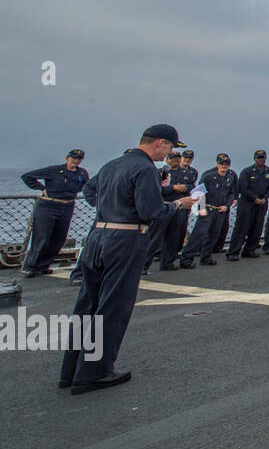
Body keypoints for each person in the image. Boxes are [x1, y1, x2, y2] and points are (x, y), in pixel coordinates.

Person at [59, 124, 195, 394]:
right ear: (160, 143)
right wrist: (178, 204)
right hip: (126, 239)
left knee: (87, 304)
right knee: (113, 306)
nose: (170, 155)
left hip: (98, 237)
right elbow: (151, 211)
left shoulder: (113, 164)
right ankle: (95, 372)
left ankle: (71, 370)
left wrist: (113, 207)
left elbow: (89, 190)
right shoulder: (145, 169)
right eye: (170, 148)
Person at [20, 149, 90, 277]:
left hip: (67, 205)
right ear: (68, 158)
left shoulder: (81, 173)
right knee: (42, 237)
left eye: (79, 159)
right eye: (74, 158)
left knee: (59, 238)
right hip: (49, 205)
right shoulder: (54, 170)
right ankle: (30, 266)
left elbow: (87, 186)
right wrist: (42, 188)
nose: (76, 161)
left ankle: (43, 265)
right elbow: (27, 176)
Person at [180, 154, 237, 268]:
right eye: (221, 164)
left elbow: (232, 193)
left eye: (226, 164)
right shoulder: (209, 176)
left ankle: (206, 257)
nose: (224, 166)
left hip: (220, 210)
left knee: (213, 236)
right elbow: (199, 192)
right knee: (199, 234)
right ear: (217, 164)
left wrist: (227, 205)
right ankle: (186, 259)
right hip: (207, 208)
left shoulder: (231, 176)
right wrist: (201, 209)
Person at [226, 150, 269, 261]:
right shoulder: (247, 172)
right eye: (258, 157)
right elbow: (243, 188)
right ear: (254, 159)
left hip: (262, 203)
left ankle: (249, 250)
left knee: (257, 228)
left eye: (262, 157)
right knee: (242, 228)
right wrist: (255, 198)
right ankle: (233, 251)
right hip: (247, 203)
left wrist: (264, 198)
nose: (260, 159)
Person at [157, 149, 197, 271]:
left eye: (176, 159)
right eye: (171, 159)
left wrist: (184, 188)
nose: (174, 161)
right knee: (158, 235)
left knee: (176, 235)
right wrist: (173, 188)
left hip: (181, 208)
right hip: (164, 206)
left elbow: (192, 186)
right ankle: (148, 262)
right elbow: (157, 189)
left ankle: (168, 261)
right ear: (167, 160)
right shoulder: (161, 172)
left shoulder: (188, 173)